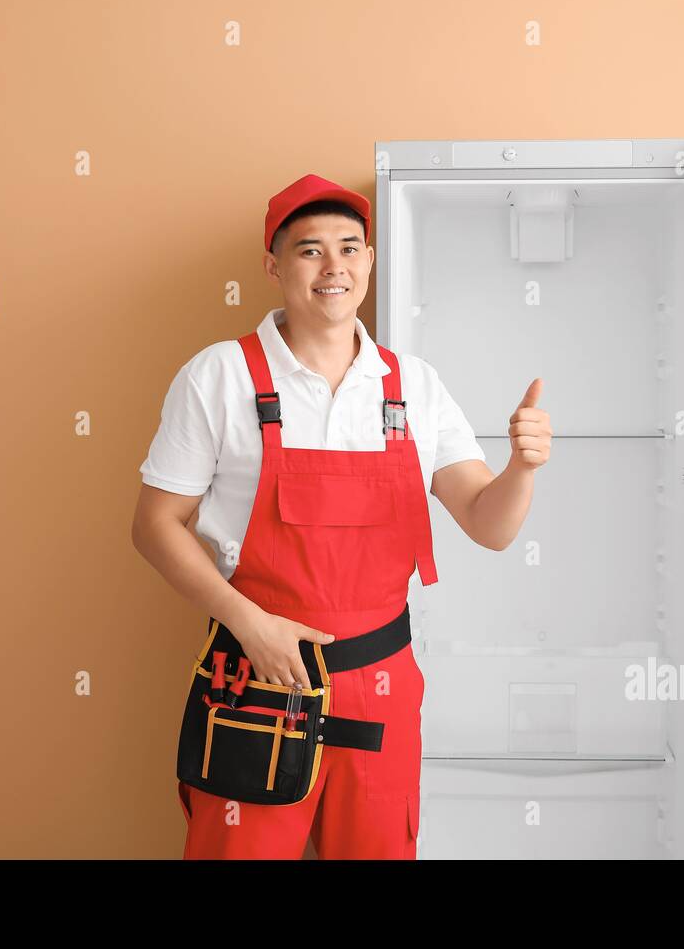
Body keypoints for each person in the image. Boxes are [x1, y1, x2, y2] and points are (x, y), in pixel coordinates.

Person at [131, 173, 552, 858]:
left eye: (351, 248)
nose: (335, 267)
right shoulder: (220, 377)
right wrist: (252, 626)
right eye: (310, 250)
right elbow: (154, 525)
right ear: (273, 266)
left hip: (380, 690)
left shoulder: (413, 384)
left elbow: (488, 523)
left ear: (370, 262)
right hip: (258, 678)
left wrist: (522, 470)